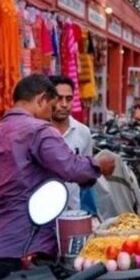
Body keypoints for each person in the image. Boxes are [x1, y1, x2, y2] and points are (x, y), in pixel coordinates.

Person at [0, 74, 115, 280]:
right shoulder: (38, 130)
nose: (51, 116)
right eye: (51, 107)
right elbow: (71, 168)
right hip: (21, 253)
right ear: (40, 100)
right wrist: (99, 165)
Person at [49, 75, 94, 211]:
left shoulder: (83, 132)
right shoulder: (38, 132)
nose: (64, 104)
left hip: (72, 210)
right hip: (43, 211)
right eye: (59, 98)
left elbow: (87, 174)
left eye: (68, 99)